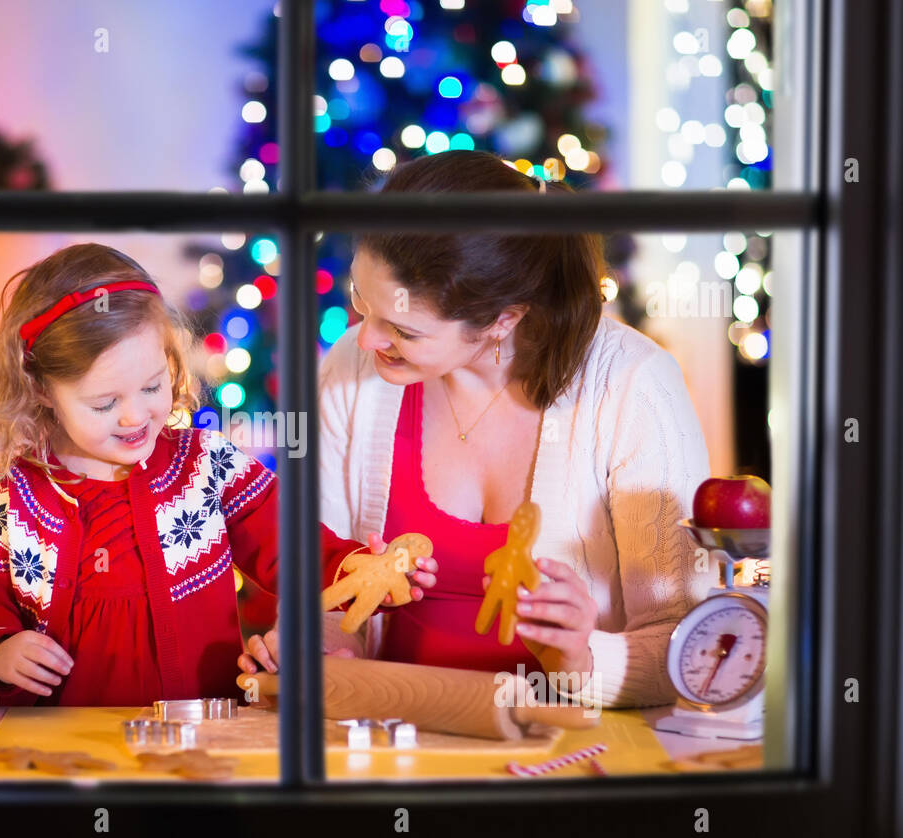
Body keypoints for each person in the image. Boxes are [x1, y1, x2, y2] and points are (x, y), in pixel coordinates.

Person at [241, 152, 711, 709]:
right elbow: (327, 593)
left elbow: (694, 646)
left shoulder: (633, 385)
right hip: (395, 744)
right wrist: (313, 650)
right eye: (360, 303)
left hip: (568, 753)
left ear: (501, 319)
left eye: (404, 330)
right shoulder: (353, 370)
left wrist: (581, 661)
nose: (365, 340)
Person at [0, 242, 436, 707]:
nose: (136, 417)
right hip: (59, 747)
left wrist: (366, 573)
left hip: (201, 729)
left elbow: (294, 547)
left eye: (152, 386)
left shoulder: (206, 466)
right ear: (42, 391)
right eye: (105, 403)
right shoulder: (9, 498)